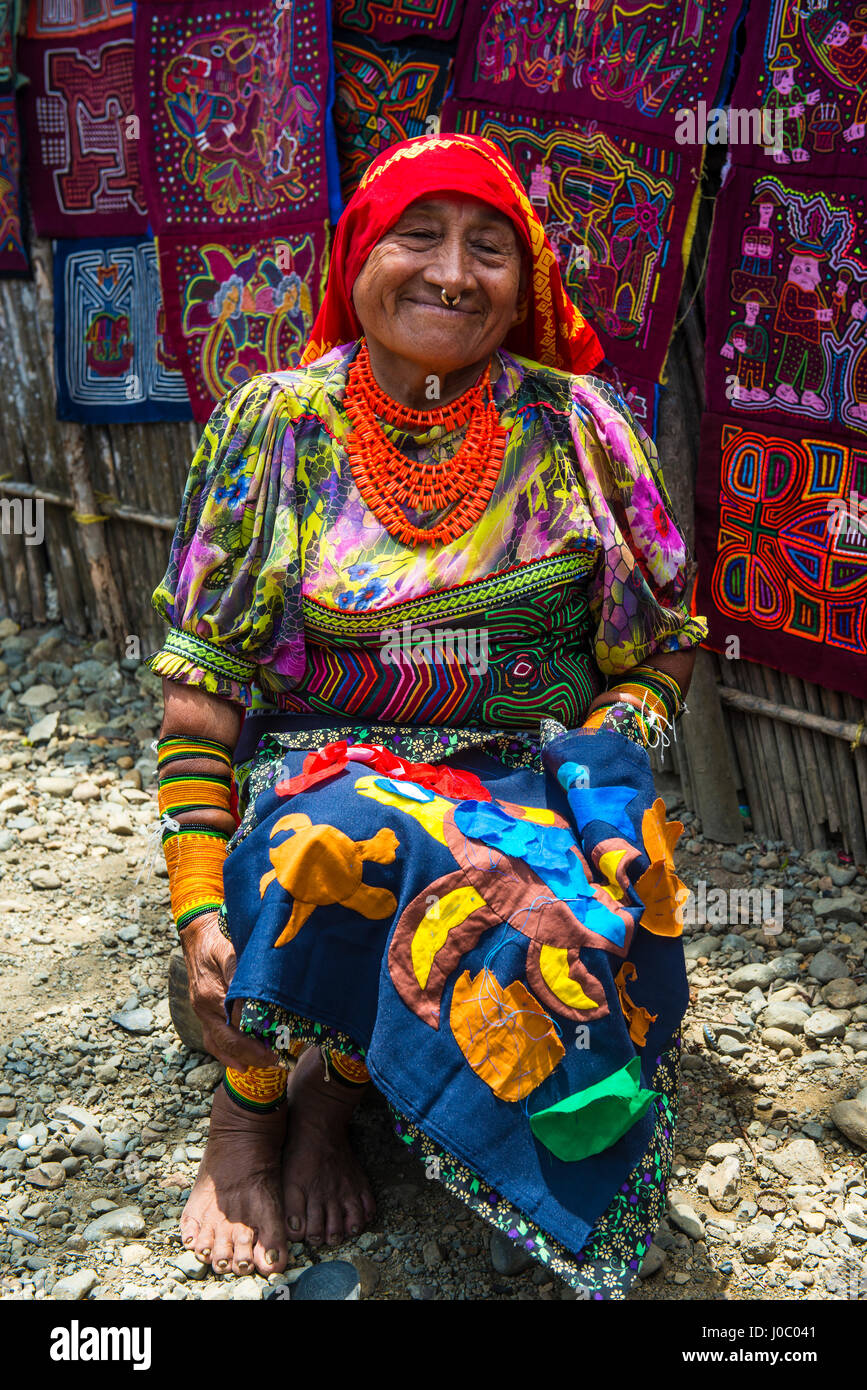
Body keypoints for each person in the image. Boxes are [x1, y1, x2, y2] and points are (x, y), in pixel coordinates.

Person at [147, 133, 707, 1298]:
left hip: (528, 774)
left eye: (490, 247)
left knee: (574, 878)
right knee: (352, 836)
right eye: (419, 235)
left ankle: (369, 1102)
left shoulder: (578, 430)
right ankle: (254, 1109)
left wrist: (607, 762)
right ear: (358, 258)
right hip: (326, 778)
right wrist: (198, 903)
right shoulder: (280, 426)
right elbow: (201, 698)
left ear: (527, 281)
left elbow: (664, 652)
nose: (454, 271)